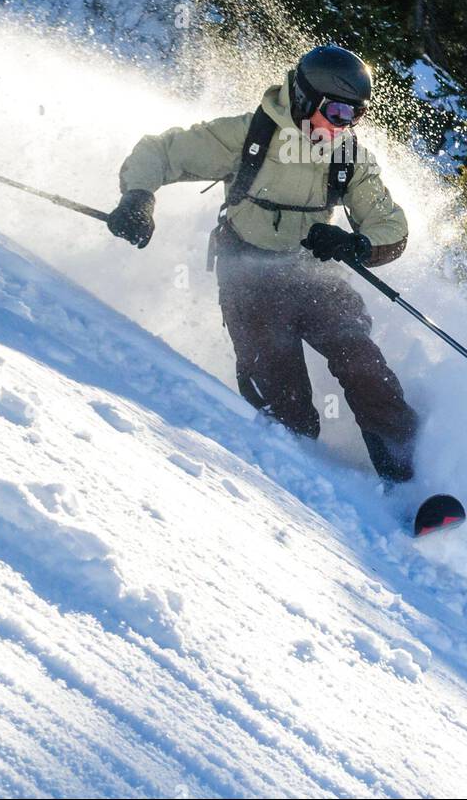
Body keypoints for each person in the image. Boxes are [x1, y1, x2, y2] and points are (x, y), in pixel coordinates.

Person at [108, 45, 419, 483]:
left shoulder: (348, 157)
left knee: (361, 362)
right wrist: (138, 198)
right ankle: (303, 480)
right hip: (248, 276)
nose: (342, 126)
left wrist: (356, 244)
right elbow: (162, 151)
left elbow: (391, 225)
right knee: (283, 396)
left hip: (313, 273)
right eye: (335, 111)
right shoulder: (248, 136)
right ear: (306, 98)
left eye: (354, 116)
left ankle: (407, 475)